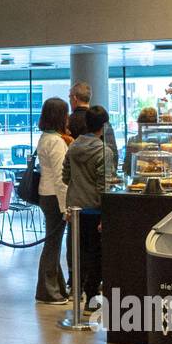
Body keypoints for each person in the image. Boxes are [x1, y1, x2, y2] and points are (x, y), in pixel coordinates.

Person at [62, 105, 115, 314]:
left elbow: (65, 176)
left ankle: (78, 292)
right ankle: (91, 298)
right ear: (103, 126)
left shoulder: (73, 146)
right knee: (97, 255)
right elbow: (105, 185)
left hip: (75, 208)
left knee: (79, 253)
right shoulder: (104, 151)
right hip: (95, 209)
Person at [33, 97, 72, 305]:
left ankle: (57, 288)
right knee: (53, 244)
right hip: (54, 196)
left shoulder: (46, 137)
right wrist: (65, 206)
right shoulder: (56, 142)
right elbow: (61, 177)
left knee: (53, 243)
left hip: (46, 194)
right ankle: (48, 291)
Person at [69, 82, 118, 167]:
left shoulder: (69, 121)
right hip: (102, 172)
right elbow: (112, 149)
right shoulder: (102, 119)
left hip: (77, 173)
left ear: (74, 98)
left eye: (69, 97)